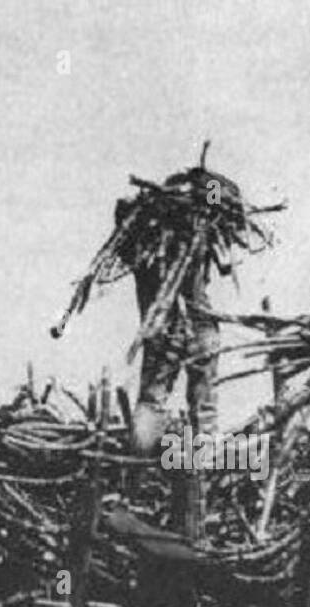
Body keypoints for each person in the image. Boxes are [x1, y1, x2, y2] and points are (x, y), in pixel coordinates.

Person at [125, 167, 234, 454]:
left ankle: (139, 465)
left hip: (165, 328)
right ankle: (204, 465)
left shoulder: (141, 246)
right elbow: (226, 264)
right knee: (204, 405)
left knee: (152, 400)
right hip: (198, 327)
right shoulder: (202, 233)